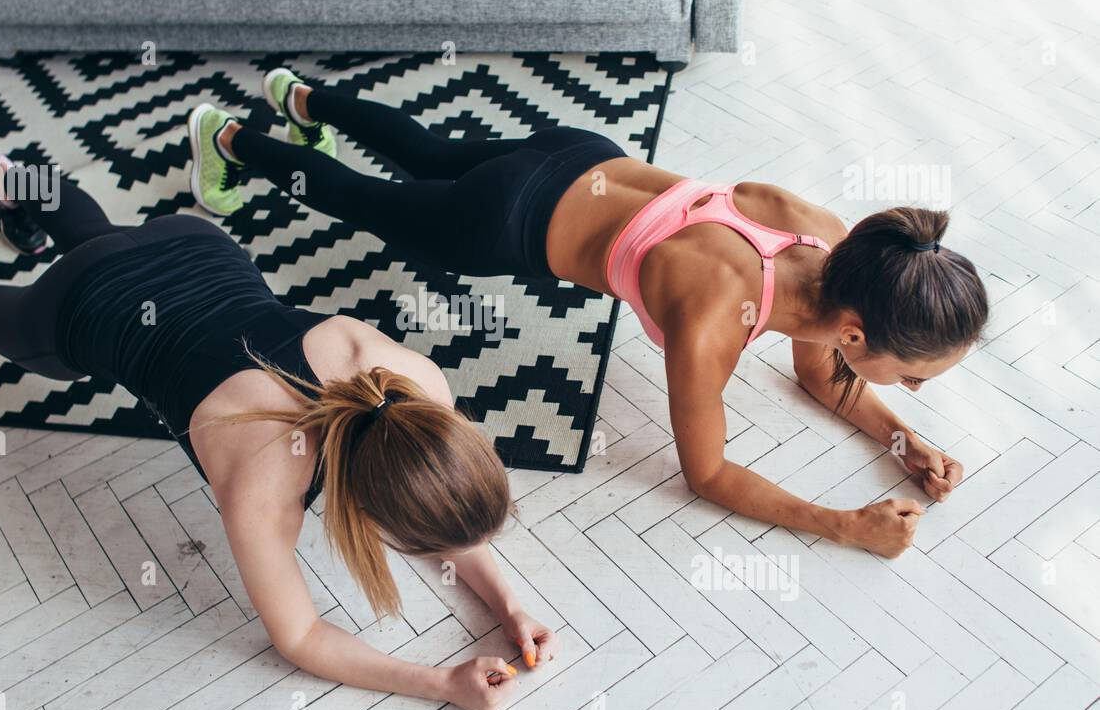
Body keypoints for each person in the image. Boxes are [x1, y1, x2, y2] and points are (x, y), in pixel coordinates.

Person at [0, 154, 557, 710]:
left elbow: (434, 492)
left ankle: (14, 178)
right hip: (88, 305)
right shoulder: (263, 489)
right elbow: (301, 638)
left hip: (198, 245)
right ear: (368, 510)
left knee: (102, 240)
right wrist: (438, 683)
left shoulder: (412, 383)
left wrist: (509, 605)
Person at [187, 69, 990, 559]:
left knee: (430, 151)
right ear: (859, 330)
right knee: (371, 202)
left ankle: (301, 95)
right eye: (915, 376)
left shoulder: (845, 248)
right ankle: (229, 143)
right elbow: (705, 474)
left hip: (582, 154)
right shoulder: (715, 318)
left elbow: (821, 367)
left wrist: (900, 439)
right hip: (511, 224)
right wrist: (844, 526)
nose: (913, 388)